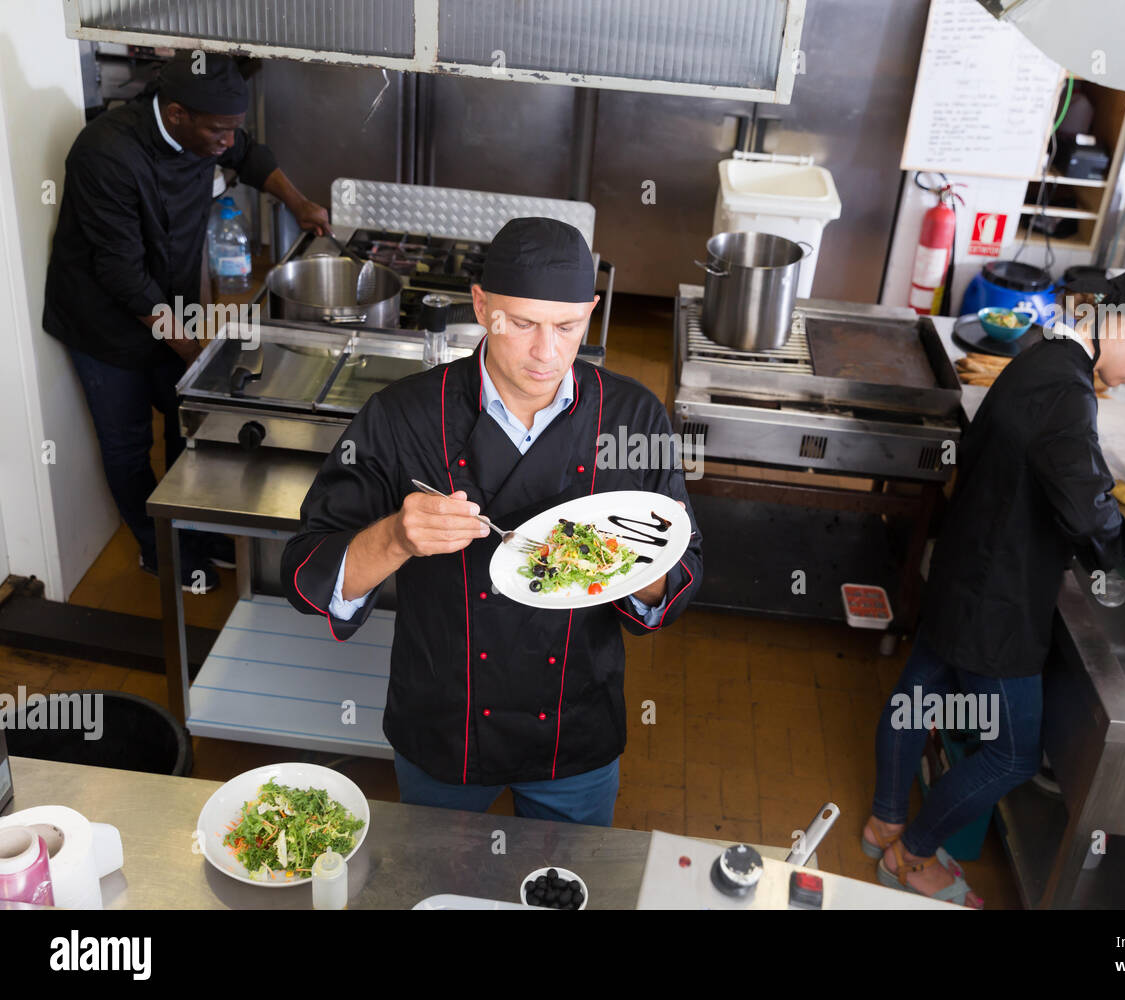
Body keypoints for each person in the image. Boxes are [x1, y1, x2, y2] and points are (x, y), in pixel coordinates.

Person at [281, 217, 703, 826]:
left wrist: (633, 570)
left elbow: (681, 568)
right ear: (481, 306)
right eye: (523, 323)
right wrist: (396, 537)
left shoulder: (633, 418)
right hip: (445, 728)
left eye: (567, 326)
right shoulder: (403, 417)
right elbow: (308, 569)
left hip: (573, 730)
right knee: (439, 885)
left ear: (590, 310)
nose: (547, 352)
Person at [863, 267, 1125, 906]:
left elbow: (1067, 464)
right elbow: (1081, 503)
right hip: (999, 602)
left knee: (916, 695)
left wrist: (1109, 518)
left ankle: (885, 817)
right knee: (1014, 756)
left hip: (962, 570)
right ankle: (910, 855)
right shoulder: (1068, 394)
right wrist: (1113, 552)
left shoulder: (1048, 357)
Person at [43, 51, 329, 591]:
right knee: (128, 443)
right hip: (103, 319)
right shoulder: (106, 154)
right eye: (220, 131)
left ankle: (193, 531)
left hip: (169, 302)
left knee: (188, 418)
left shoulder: (212, 132)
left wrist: (299, 203)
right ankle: (159, 549)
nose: (228, 140)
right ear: (176, 114)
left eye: (233, 128)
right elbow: (122, 275)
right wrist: (199, 354)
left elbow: (250, 156)